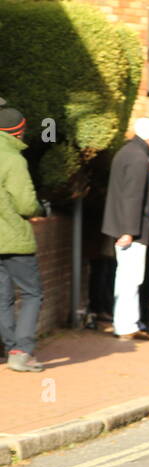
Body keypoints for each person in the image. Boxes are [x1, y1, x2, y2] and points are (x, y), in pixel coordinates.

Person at [101, 116, 149, 341]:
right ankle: (125, 325)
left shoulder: (128, 152)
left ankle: (128, 322)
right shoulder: (137, 158)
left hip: (125, 226)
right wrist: (128, 231)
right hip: (131, 230)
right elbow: (132, 197)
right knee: (130, 278)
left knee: (128, 277)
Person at [0, 100, 44, 372]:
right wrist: (40, 208)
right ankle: (21, 350)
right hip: (14, 238)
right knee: (32, 294)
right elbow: (26, 204)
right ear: (17, 131)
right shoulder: (14, 159)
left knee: (2, 297)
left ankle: (10, 348)